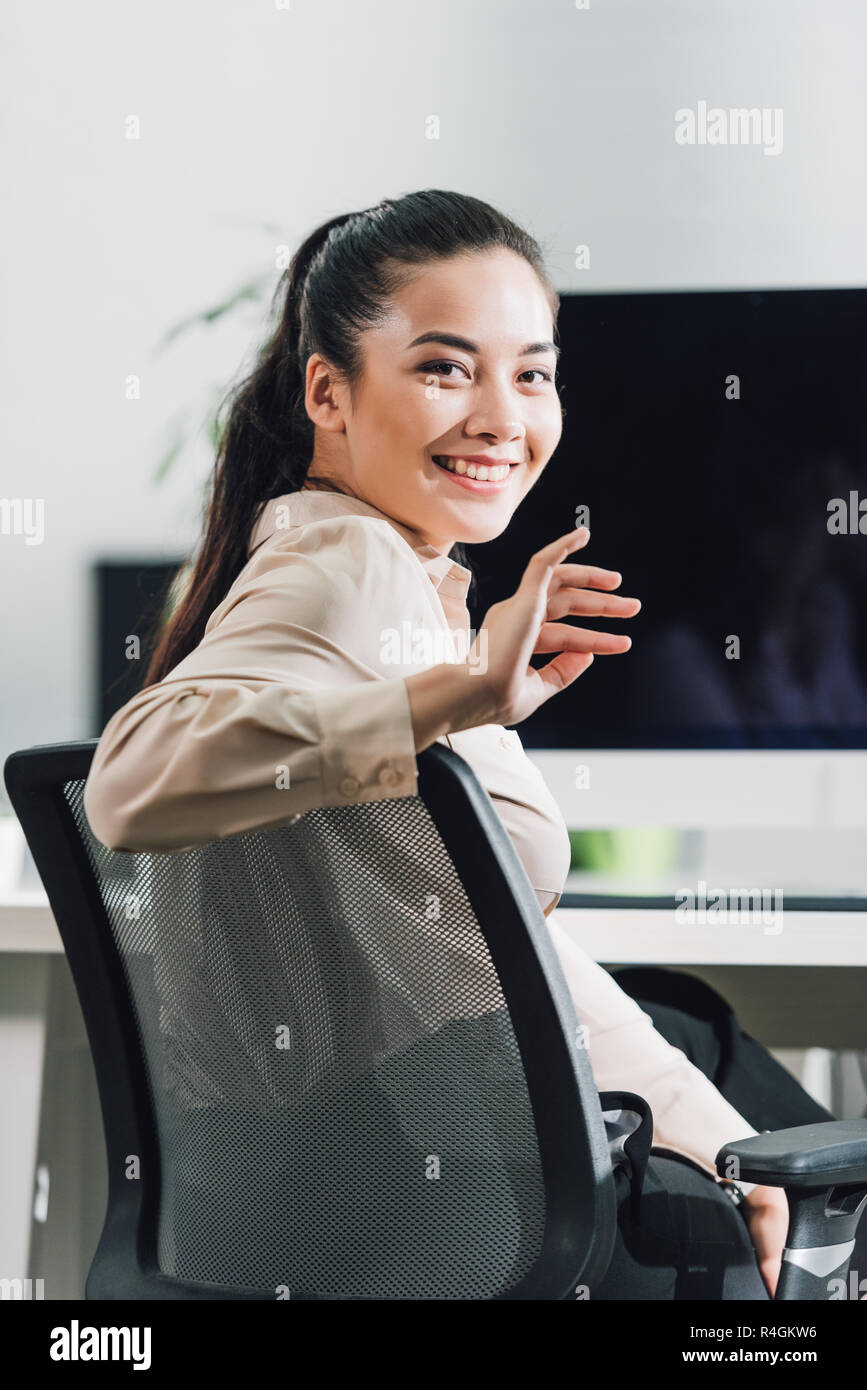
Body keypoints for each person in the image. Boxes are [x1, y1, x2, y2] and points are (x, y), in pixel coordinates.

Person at [83, 189, 860, 1299]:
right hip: (437, 1196)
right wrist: (449, 696)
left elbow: (499, 959)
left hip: (382, 1179)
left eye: (532, 372)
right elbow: (127, 783)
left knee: (703, 1035)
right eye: (447, 367)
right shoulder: (343, 570)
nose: (504, 416)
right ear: (328, 393)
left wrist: (717, 1138)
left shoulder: (386, 574)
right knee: (804, 1184)